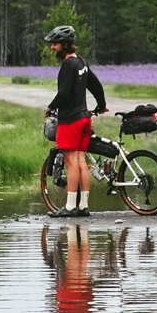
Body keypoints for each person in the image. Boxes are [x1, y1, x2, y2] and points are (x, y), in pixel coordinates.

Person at [45, 24, 107, 217]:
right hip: (84, 120)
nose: (52, 48)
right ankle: (83, 205)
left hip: (70, 120)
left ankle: (70, 206)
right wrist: (101, 104)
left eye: (54, 44)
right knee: (80, 161)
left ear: (64, 44)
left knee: (71, 162)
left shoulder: (67, 66)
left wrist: (50, 107)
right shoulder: (80, 62)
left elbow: (63, 95)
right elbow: (95, 85)